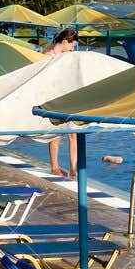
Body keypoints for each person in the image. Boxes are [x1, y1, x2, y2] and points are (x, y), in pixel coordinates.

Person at [43, 29, 79, 176]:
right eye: (72, 46)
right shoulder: (47, 56)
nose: (72, 50)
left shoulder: (66, 57)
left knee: (73, 134)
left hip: (67, 97)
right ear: (65, 42)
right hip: (53, 98)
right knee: (56, 135)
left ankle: (73, 169)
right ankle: (55, 167)